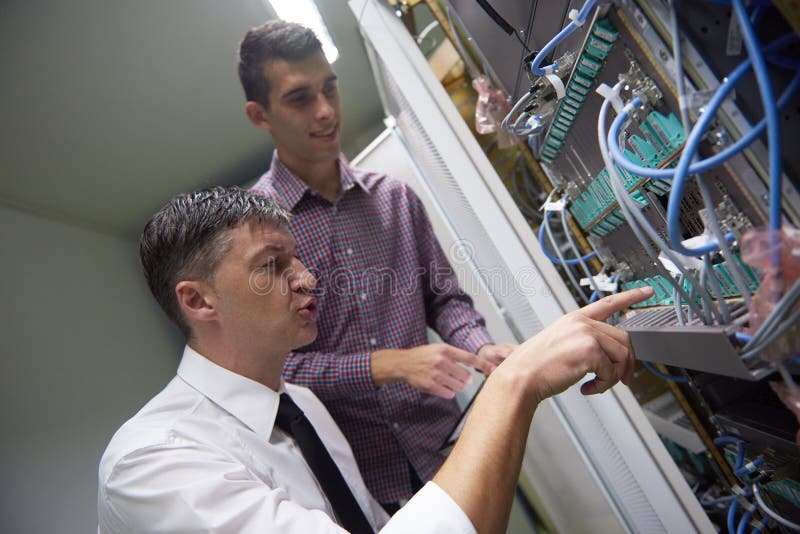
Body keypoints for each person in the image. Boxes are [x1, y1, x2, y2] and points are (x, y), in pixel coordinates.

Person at [97, 186, 653, 533]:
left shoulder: (305, 408)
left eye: (299, 260)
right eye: (272, 266)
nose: (308, 279)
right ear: (198, 300)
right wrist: (516, 383)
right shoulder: (154, 463)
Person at [238, 19, 516, 509]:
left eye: (330, 89)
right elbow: (278, 368)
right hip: (356, 480)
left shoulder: (395, 200)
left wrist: (481, 346)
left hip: (449, 445)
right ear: (259, 115)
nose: (325, 112)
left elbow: (444, 299)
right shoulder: (254, 234)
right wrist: (384, 366)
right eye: (300, 98)